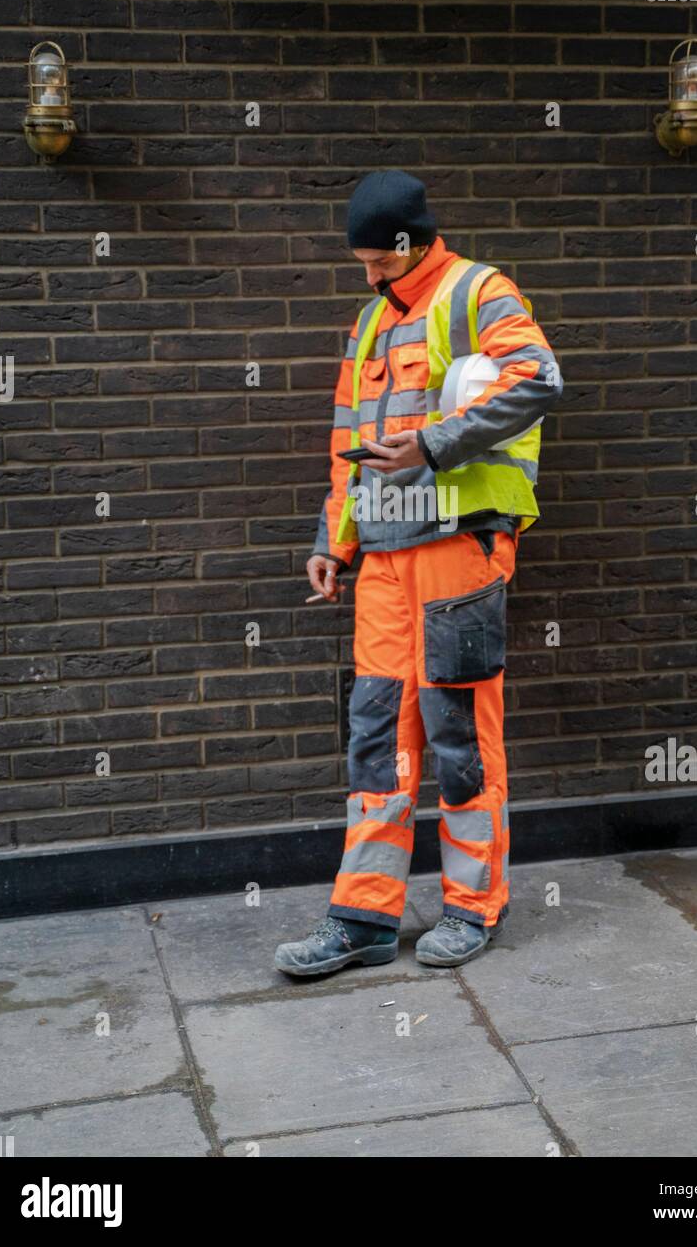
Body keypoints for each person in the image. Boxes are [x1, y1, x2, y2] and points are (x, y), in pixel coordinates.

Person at [274, 169, 563, 977]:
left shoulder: (478, 291)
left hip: (459, 546)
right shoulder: (369, 324)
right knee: (375, 733)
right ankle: (365, 916)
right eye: (361, 263)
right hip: (385, 556)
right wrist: (333, 541)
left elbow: (539, 377)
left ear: (413, 242)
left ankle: (474, 906)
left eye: (378, 261)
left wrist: (434, 445)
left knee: (459, 731)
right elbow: (346, 443)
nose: (368, 275)